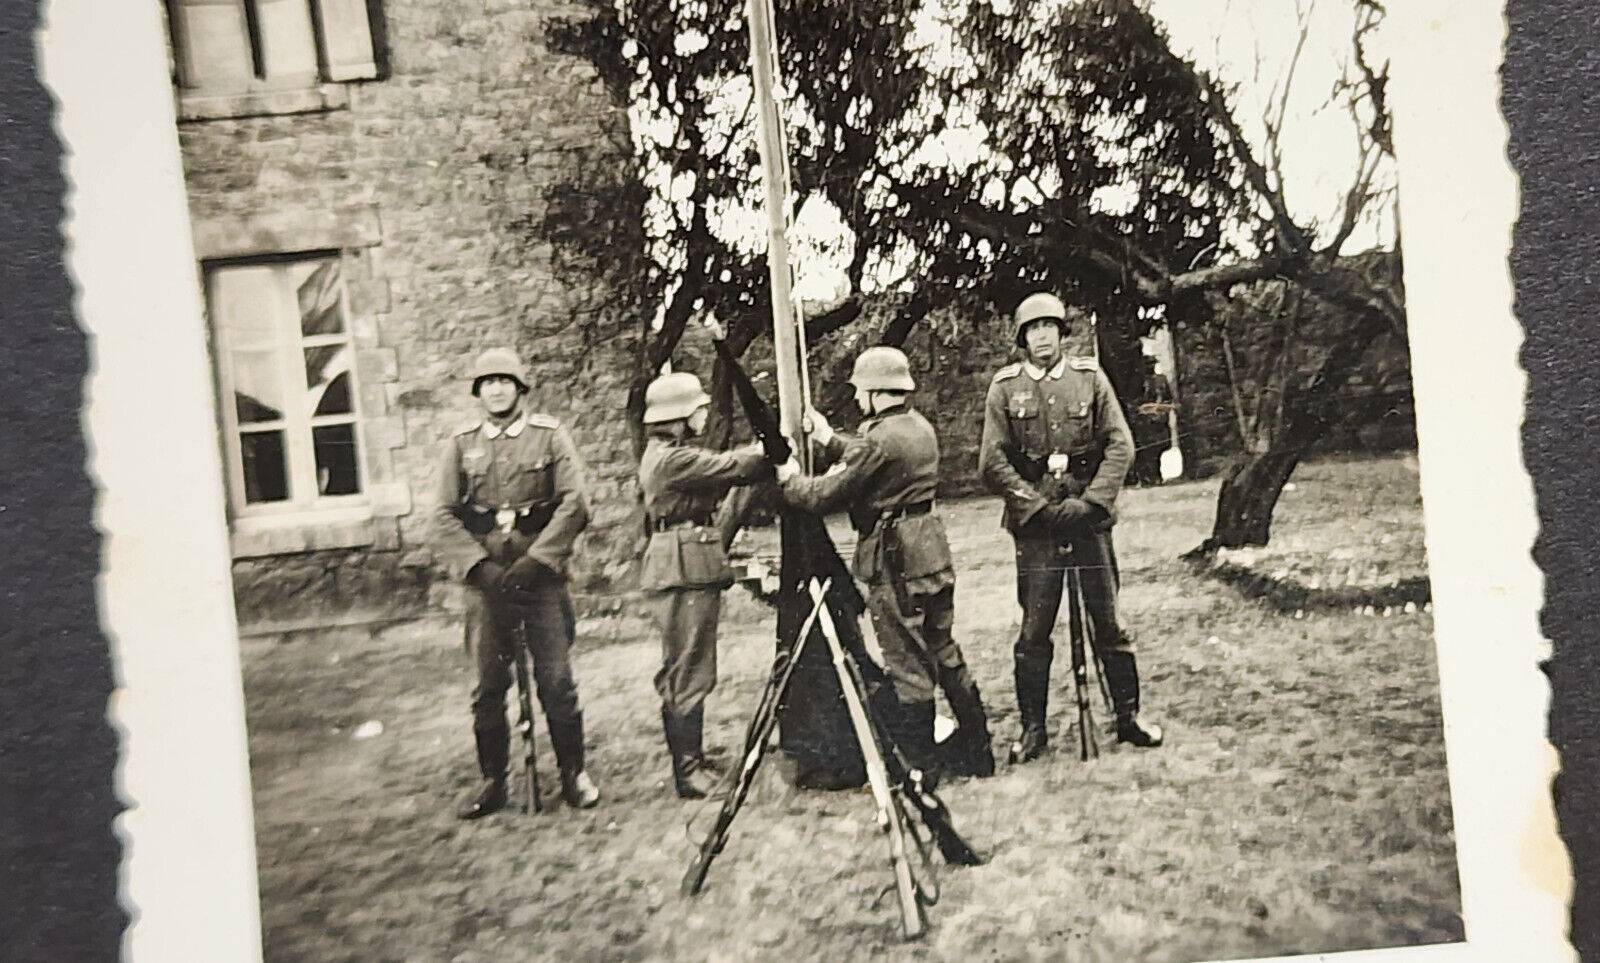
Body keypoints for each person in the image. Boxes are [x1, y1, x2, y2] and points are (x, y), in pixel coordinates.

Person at [774, 346, 995, 781]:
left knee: (906, 661)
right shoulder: (917, 427)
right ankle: (979, 752)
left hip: (895, 559)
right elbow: (869, 457)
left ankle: (921, 769)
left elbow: (822, 494)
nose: (857, 398)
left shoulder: (878, 439)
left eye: (861, 391)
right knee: (943, 648)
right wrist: (827, 437)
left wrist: (788, 478)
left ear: (876, 393)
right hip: (930, 549)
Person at [978, 293, 1164, 763]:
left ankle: (1128, 716)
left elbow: (1120, 446)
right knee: (1034, 629)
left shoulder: (1090, 378)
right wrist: (1036, 507)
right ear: (1022, 339)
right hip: (1036, 527)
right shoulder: (1005, 388)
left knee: (1109, 620)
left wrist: (1092, 502)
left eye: (1049, 327)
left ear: (1062, 333)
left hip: (1088, 521)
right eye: (1033, 329)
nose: (1042, 336)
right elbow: (992, 462)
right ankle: (1033, 729)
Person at [433, 347, 601, 819]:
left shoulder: (549, 436)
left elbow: (576, 502)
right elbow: (442, 515)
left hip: (539, 578)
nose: (496, 390)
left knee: (556, 679)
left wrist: (540, 560)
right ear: (478, 392)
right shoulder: (461, 444)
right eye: (488, 383)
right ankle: (493, 780)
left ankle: (573, 773)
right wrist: (478, 567)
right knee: (487, 684)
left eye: (504, 381)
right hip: (487, 581)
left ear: (520, 388)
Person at [638, 366, 772, 799]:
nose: (702, 416)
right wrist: (770, 445)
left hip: (683, 563)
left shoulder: (670, 454)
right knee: (689, 667)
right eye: (695, 410)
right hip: (681, 567)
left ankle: (691, 760)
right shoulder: (672, 459)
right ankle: (688, 771)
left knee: (686, 663)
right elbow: (731, 465)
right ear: (677, 416)